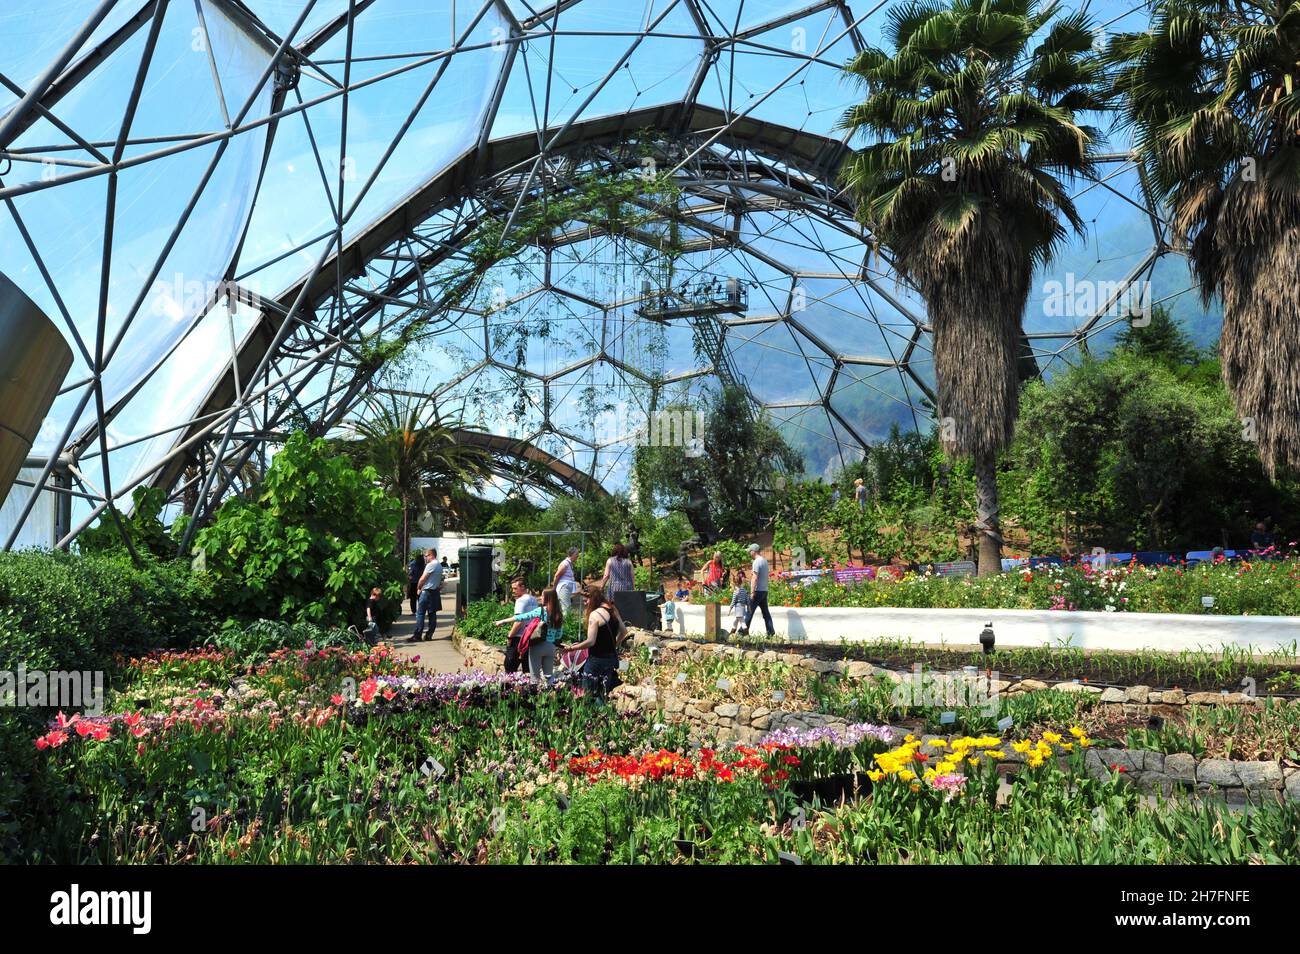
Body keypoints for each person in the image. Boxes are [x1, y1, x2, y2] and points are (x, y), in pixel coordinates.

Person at [565, 584, 626, 699]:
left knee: (588, 695)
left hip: (596, 660)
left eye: (585, 600)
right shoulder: (612, 609)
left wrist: (572, 648)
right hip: (610, 659)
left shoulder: (595, 614)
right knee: (603, 693)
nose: (584, 604)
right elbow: (624, 632)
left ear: (592, 599)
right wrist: (613, 645)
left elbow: (591, 642)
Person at [494, 586, 563, 684]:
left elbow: (522, 616)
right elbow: (559, 635)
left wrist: (503, 621)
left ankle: (535, 697)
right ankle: (551, 696)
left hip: (537, 646)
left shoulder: (541, 611)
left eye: (542, 596)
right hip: (550, 647)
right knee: (549, 676)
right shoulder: (558, 614)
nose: (540, 597)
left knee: (535, 677)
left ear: (547, 598)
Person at [503, 578, 539, 674]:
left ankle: (509, 689)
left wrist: (510, 637)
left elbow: (519, 621)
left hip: (519, 639)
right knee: (527, 670)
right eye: (512, 589)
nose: (513, 591)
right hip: (531, 637)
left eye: (515, 588)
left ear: (522, 587)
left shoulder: (520, 601)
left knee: (509, 668)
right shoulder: (534, 600)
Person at [411, 548, 444, 642]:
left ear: (431, 555)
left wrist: (418, 588)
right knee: (432, 614)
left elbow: (422, 578)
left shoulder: (431, 565)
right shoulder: (439, 565)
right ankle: (429, 635)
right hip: (435, 592)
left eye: (426, 556)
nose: (425, 558)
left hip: (426, 592)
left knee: (420, 613)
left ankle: (417, 635)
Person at [743, 543, 775, 637]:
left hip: (757, 591)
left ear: (753, 551)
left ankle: (741, 632)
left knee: (749, 612)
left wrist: (752, 591)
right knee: (766, 614)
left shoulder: (756, 562)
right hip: (764, 591)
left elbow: (755, 578)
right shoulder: (764, 561)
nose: (749, 553)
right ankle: (771, 633)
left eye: (749, 551)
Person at [553, 546, 580, 613]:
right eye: (576, 554)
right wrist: (553, 588)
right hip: (563, 588)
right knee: (566, 609)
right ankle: (567, 623)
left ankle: (566, 622)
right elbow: (557, 575)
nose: (578, 556)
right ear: (572, 554)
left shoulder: (569, 564)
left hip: (567, 589)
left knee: (566, 608)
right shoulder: (565, 564)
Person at [729, 569, 750, 636]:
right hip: (743, 607)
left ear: (734, 583)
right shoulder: (744, 591)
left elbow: (733, 601)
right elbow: (747, 600)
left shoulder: (736, 592)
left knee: (742, 621)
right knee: (736, 620)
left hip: (738, 607)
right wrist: (749, 607)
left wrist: (730, 609)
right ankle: (732, 633)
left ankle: (747, 635)